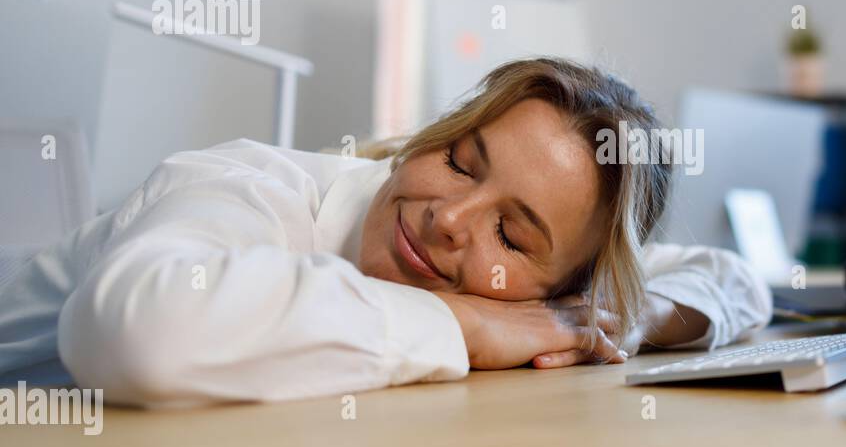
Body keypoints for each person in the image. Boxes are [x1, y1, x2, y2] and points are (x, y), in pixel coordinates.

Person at [0, 58, 772, 408]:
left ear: (561, 287)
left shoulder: (567, 291)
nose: (447, 219)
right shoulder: (249, 188)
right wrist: (463, 323)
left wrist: (616, 318)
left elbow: (733, 277)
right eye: (461, 162)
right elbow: (141, 336)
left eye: (511, 235)